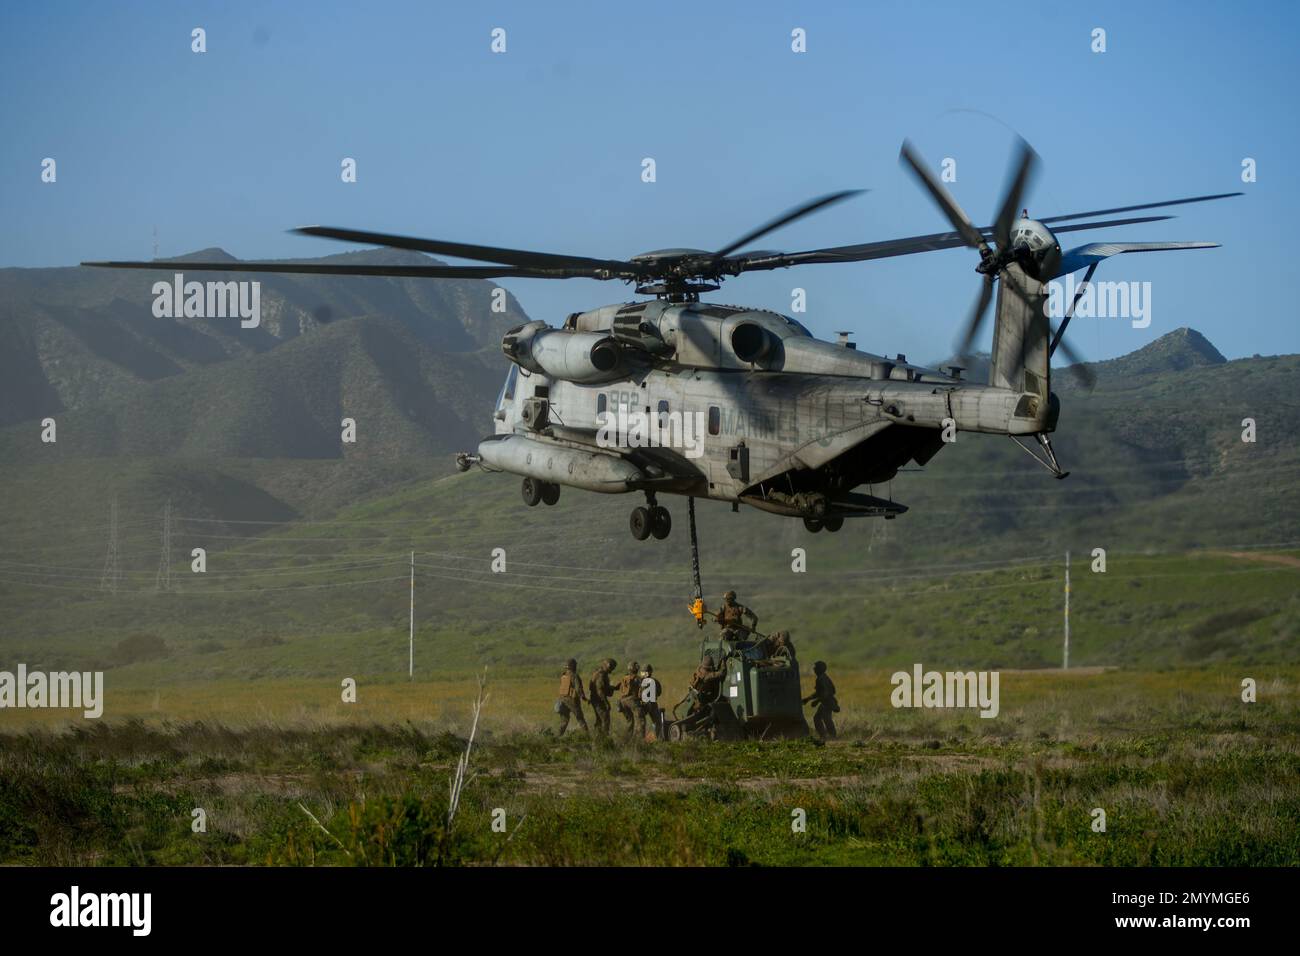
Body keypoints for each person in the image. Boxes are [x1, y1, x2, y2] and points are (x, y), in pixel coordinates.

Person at [802, 660, 838, 739]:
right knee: (820, 718)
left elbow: (825, 693)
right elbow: (819, 693)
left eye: (815, 667)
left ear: (820, 669)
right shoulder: (822, 678)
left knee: (825, 718)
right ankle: (825, 735)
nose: (814, 669)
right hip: (825, 702)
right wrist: (808, 699)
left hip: (827, 702)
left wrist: (816, 701)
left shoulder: (821, 679)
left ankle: (831, 736)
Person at [555, 658, 589, 736]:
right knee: (580, 719)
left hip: (562, 700)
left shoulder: (563, 676)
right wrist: (583, 697)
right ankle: (587, 736)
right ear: (573, 666)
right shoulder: (574, 675)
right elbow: (578, 688)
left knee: (564, 720)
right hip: (571, 700)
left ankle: (558, 736)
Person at [588, 658, 617, 735]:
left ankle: (598, 737)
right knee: (605, 719)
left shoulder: (599, 673)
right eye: (612, 667)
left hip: (596, 699)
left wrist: (614, 688)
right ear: (608, 666)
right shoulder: (601, 674)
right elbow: (600, 690)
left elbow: (604, 688)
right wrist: (606, 702)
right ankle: (603, 739)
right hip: (598, 700)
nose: (612, 670)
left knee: (599, 720)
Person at [636, 664, 664, 740]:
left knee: (641, 722)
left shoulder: (638, 681)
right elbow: (659, 692)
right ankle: (658, 738)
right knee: (657, 722)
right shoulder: (655, 681)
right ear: (650, 672)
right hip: (653, 703)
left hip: (642, 704)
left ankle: (640, 740)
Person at [616, 660, 641, 739]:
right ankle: (639, 740)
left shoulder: (624, 678)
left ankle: (626, 739)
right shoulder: (637, 678)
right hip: (632, 700)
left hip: (622, 701)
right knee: (640, 719)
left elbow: (618, 688)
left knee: (630, 722)